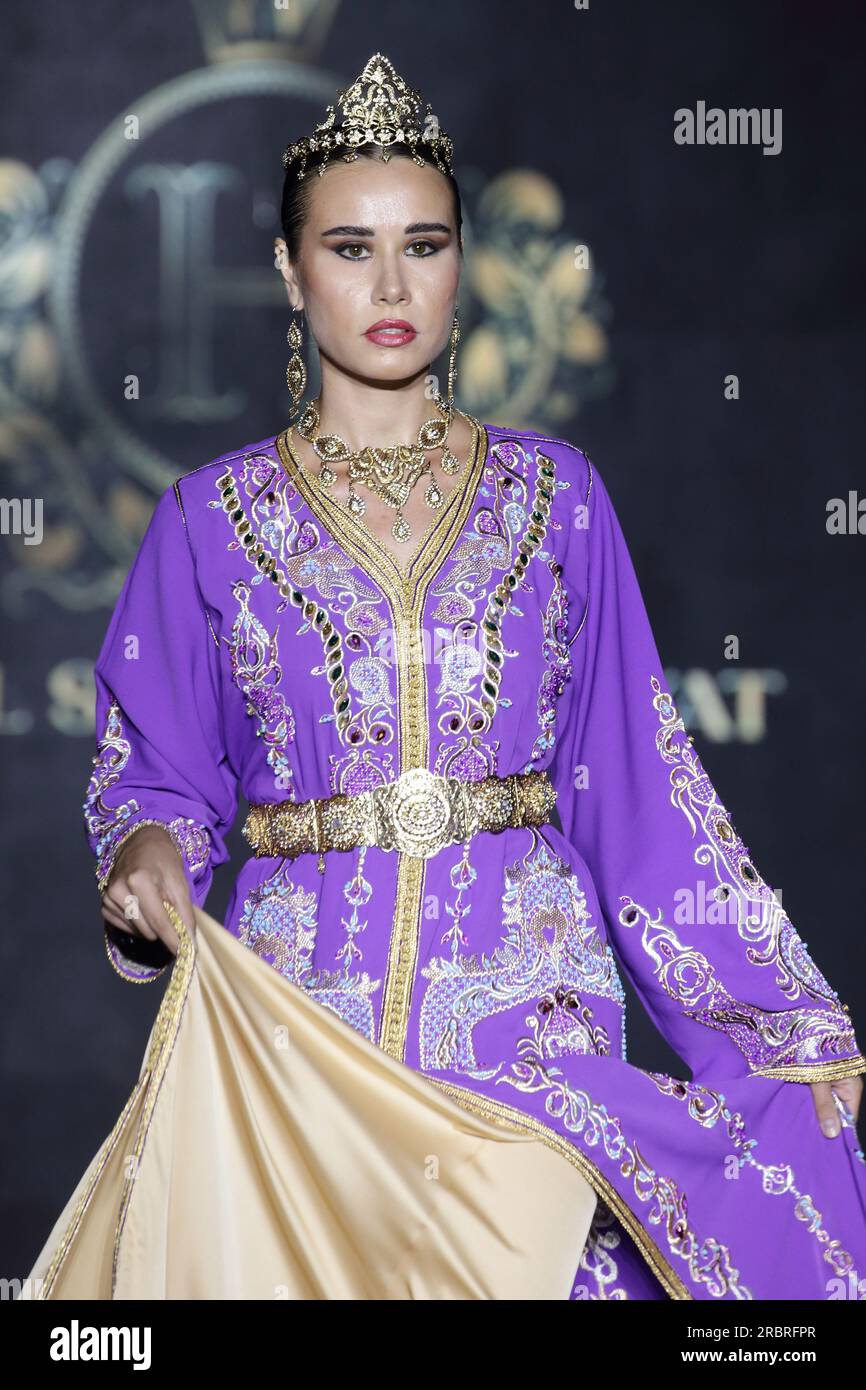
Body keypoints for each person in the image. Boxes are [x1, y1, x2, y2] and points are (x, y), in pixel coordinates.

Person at [29, 53, 866, 1300]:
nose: (388, 283)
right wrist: (144, 851)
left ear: (463, 266)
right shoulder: (205, 520)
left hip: (526, 1035)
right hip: (295, 1043)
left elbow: (639, 791)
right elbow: (155, 773)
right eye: (348, 247)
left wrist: (778, 1021)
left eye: (422, 244)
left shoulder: (555, 498)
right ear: (286, 268)